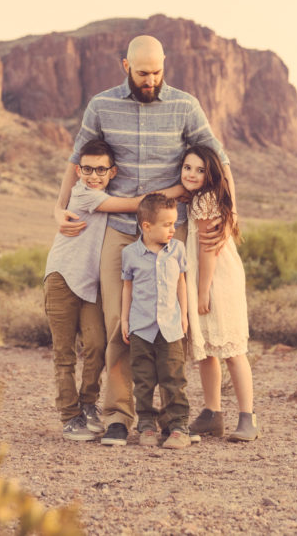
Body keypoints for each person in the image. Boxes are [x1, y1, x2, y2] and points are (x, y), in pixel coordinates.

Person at [55, 34, 236, 447]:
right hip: (119, 232)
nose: (150, 79)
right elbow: (75, 160)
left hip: (173, 232)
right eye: (142, 72)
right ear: (125, 67)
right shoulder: (101, 105)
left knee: (175, 327)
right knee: (121, 325)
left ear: (164, 65)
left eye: (156, 72)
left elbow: (218, 159)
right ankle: (119, 416)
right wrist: (57, 209)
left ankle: (176, 419)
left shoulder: (185, 105)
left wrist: (233, 213)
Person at [44, 139, 185, 441]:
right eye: (87, 169)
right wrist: (178, 191)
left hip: (90, 284)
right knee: (65, 353)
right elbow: (136, 205)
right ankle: (70, 416)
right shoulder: (83, 195)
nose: (93, 176)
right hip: (62, 277)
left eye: (101, 170)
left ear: (113, 171)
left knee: (97, 345)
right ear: (78, 171)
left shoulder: (101, 192)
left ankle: (87, 405)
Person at [180, 145, 260, 441]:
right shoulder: (201, 196)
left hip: (215, 277)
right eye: (188, 167)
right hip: (209, 274)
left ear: (211, 174)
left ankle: (247, 417)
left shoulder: (206, 200)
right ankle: (212, 414)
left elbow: (208, 249)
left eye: (200, 170)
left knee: (231, 348)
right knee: (207, 347)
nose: (192, 174)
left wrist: (202, 292)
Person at [119, 193, 190, 449]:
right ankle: (147, 426)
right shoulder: (130, 254)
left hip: (170, 328)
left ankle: (178, 427)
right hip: (141, 328)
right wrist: (125, 321)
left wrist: (183, 315)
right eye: (167, 224)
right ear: (146, 226)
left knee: (174, 378)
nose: (173, 229)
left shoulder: (177, 250)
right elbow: (127, 288)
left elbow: (182, 283)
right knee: (144, 380)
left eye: (174, 223)